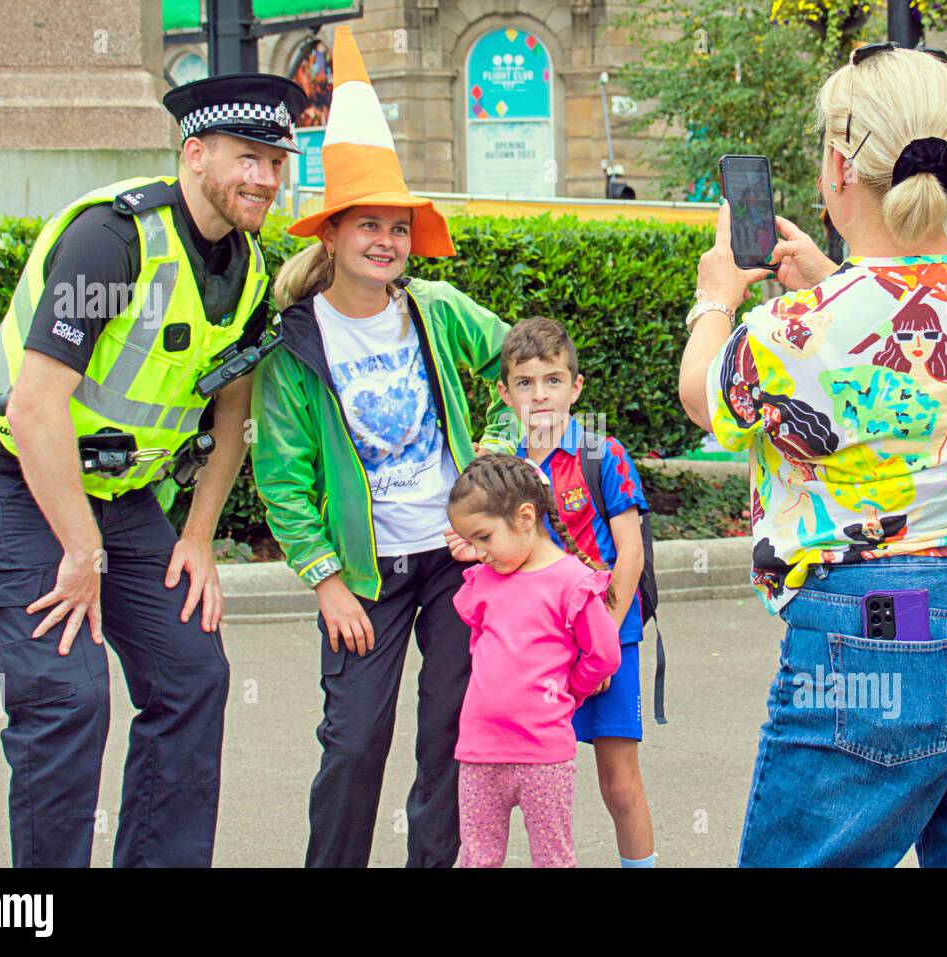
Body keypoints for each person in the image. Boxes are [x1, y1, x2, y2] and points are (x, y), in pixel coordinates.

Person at [677, 44, 947, 867]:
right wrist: (836, 279)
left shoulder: (796, 325)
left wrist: (717, 298)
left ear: (839, 163)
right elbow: (934, 336)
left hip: (890, 622)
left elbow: (705, 394)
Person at [0, 73, 307, 867]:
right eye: (249, 158)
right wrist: (82, 551)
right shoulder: (113, 240)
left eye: (277, 162)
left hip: (115, 491)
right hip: (8, 474)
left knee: (193, 675)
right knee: (66, 695)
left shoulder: (246, 269)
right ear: (195, 153)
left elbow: (232, 420)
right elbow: (35, 409)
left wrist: (200, 537)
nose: (266, 180)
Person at [250, 26, 520, 868]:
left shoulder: (436, 307)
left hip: (453, 561)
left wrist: (490, 463)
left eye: (397, 227)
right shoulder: (296, 344)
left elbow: (528, 362)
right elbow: (284, 478)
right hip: (363, 579)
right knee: (354, 744)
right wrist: (326, 581)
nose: (385, 241)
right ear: (329, 236)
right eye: (367, 225)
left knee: (451, 737)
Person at [448, 316, 658, 868]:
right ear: (504, 391)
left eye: (553, 380)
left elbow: (629, 553)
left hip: (610, 637)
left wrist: (604, 637)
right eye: (524, 382)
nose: (540, 394)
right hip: (537, 650)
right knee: (534, 776)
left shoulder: (602, 454)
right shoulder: (502, 469)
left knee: (618, 782)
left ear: (576, 387)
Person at [446, 455, 621, 867]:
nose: (479, 552)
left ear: (525, 516)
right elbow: (480, 646)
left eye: (484, 537)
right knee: (477, 858)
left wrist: (571, 690)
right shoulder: (485, 580)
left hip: (543, 752)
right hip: (478, 749)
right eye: (471, 540)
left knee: (553, 859)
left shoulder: (570, 579)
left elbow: (604, 654)